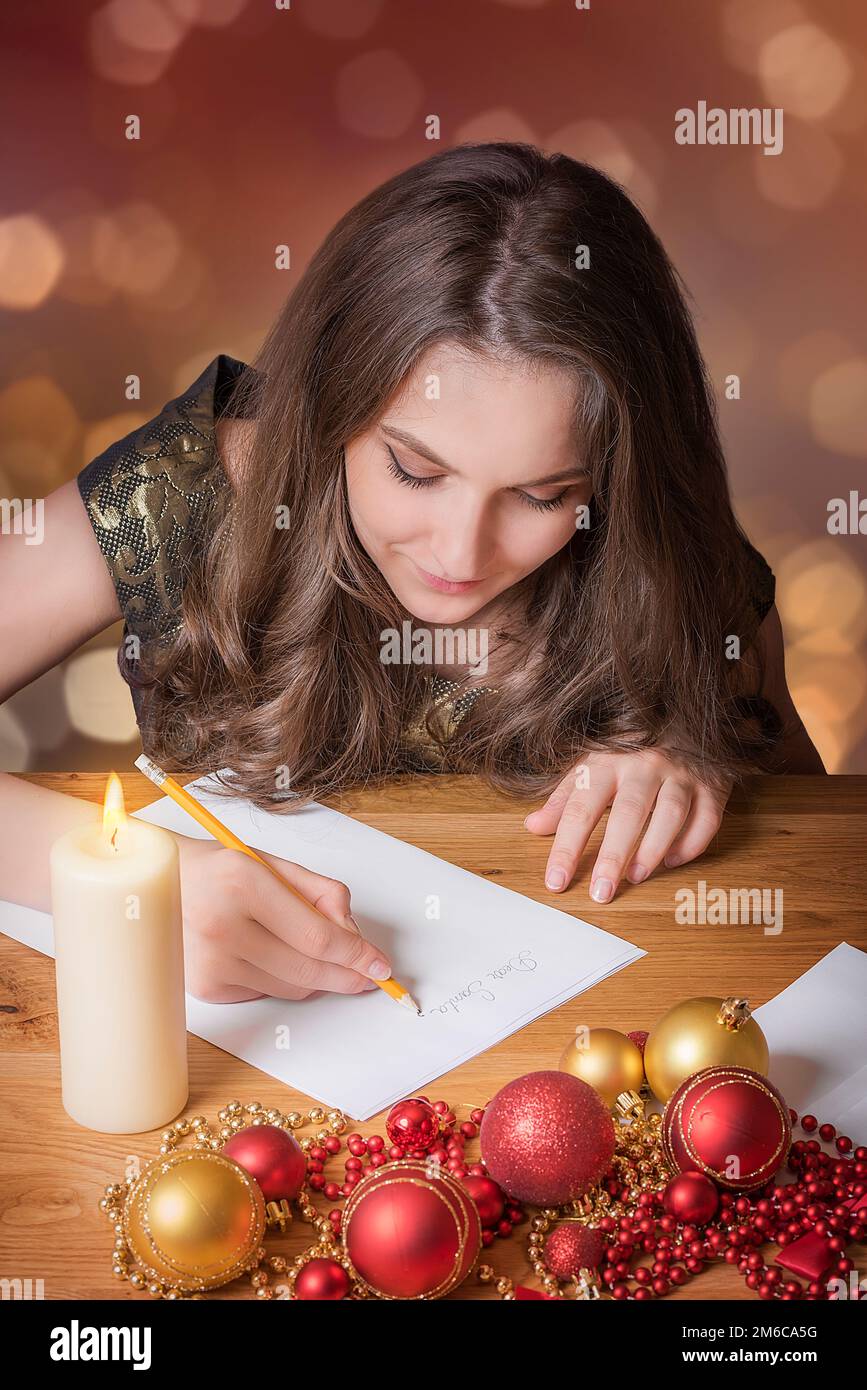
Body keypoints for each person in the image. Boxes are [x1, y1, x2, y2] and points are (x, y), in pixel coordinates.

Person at [0, 143, 823, 1004]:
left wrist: (709, 766)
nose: (460, 556)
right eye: (413, 473)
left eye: (542, 495)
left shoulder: (683, 575)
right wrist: (132, 885)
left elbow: (824, 846)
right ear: (330, 403)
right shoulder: (182, 496)